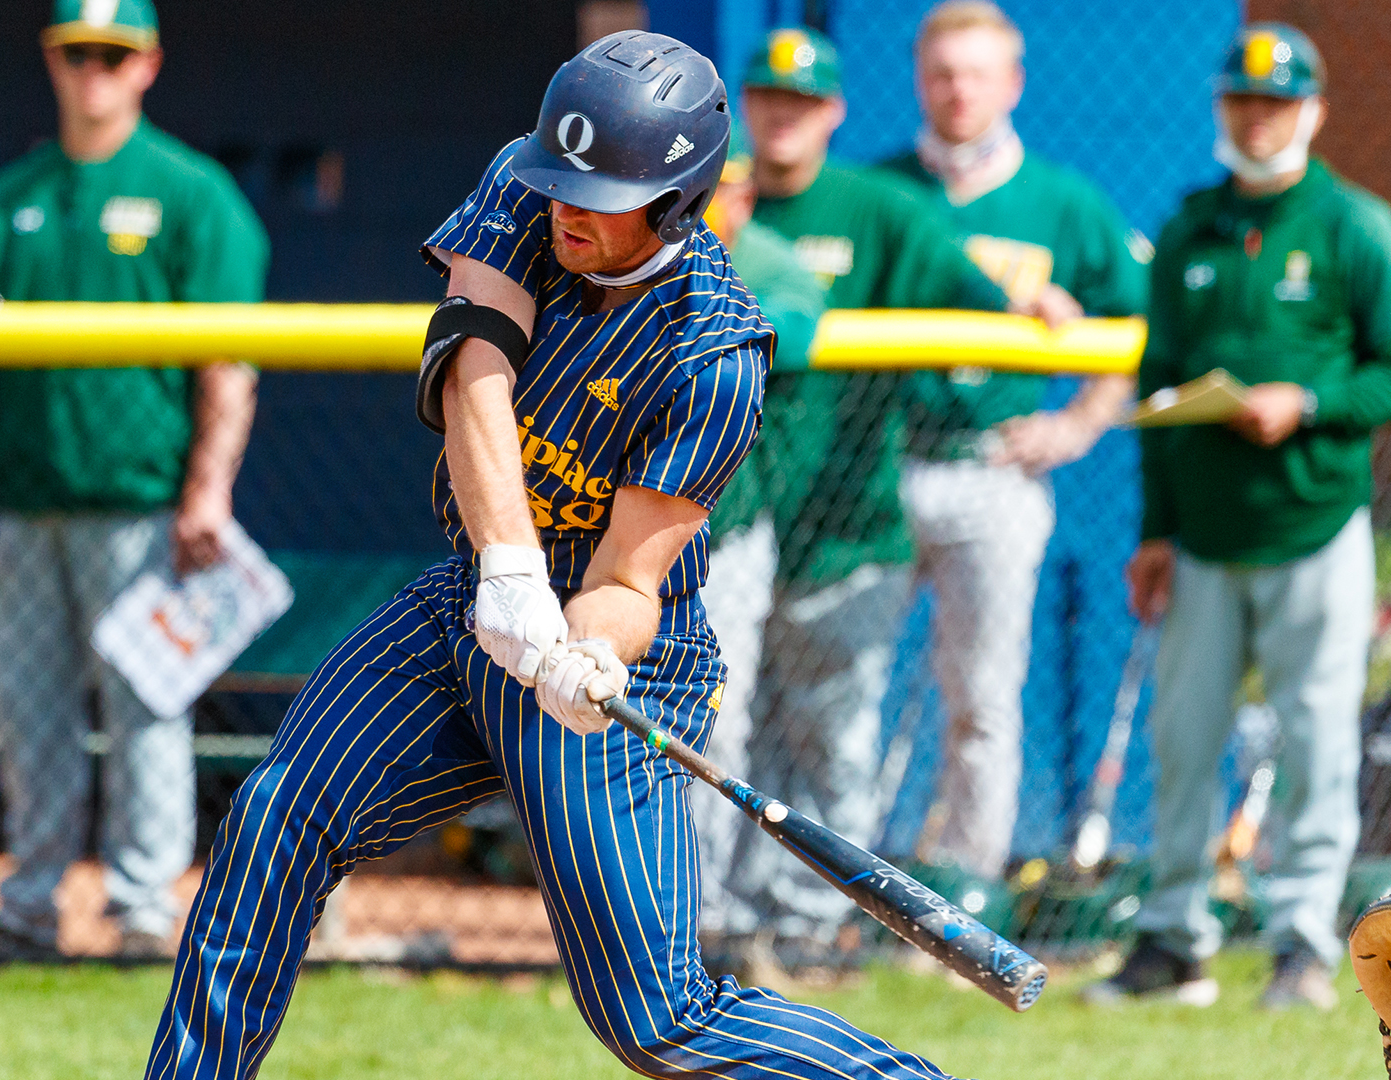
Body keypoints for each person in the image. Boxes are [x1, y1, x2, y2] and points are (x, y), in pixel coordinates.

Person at [144, 31, 957, 1080]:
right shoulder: (531, 182)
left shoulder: (715, 353)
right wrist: (511, 570)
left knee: (653, 1021)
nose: (568, 206)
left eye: (603, 192)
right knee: (274, 821)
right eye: (561, 180)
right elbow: (477, 357)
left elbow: (631, 578)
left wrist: (586, 653)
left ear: (674, 198)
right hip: (471, 600)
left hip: (616, 664)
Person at [1086, 23, 1391, 1010]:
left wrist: (1308, 404)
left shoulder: (1354, 223)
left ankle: (1303, 946)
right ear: (1221, 107)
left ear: (1313, 111)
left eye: (1276, 102)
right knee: (1183, 738)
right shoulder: (1190, 225)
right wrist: (1153, 528)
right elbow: (1155, 384)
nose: (1257, 115)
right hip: (1201, 529)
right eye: (1242, 99)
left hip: (1314, 519)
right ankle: (1171, 938)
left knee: (1317, 739)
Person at [0, 0, 268, 961]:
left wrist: (207, 489)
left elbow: (228, 365)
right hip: (29, 500)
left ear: (147, 66)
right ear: (51, 59)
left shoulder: (191, 191)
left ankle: (142, 910)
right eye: (78, 53)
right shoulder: (11, 196)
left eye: (112, 56)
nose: (93, 71)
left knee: (148, 708)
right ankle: (30, 906)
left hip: (142, 502)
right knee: (26, 712)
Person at [714, 25, 1017, 981]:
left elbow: (982, 311)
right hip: (730, 518)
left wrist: (958, 405)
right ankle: (723, 926)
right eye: (766, 98)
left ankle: (811, 929)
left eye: (801, 102)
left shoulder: (878, 207)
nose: (781, 115)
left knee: (832, 740)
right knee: (730, 732)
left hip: (847, 527)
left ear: (834, 111)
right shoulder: (704, 212)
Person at [878, 0, 1148, 880]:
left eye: (976, 73)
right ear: (918, 80)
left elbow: (1137, 333)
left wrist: (1076, 425)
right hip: (875, 474)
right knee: (834, 689)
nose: (957, 91)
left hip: (993, 472)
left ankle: (965, 893)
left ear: (1013, 83)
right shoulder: (880, 191)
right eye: (941, 73)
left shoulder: (1063, 202)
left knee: (982, 698)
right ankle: (819, 899)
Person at [694, 123, 827, 944]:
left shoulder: (772, 261)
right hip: (602, 532)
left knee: (717, 721)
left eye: (723, 190)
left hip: (727, 532)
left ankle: (703, 913)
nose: (709, 205)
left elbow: (794, 330)